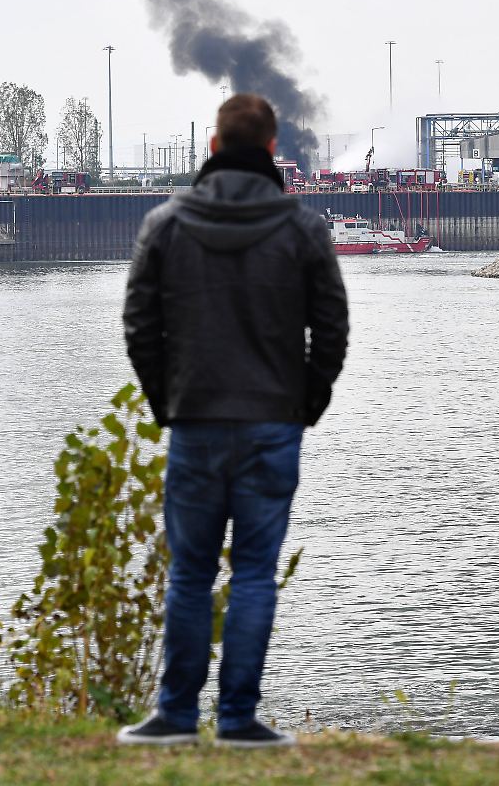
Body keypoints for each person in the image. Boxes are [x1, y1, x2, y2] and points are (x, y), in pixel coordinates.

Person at [119, 94, 349, 748]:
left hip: (195, 420)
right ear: (273, 150)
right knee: (253, 574)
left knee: (190, 574)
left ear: (214, 147)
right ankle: (239, 719)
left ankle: (175, 716)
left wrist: (167, 401)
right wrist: (305, 404)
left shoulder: (166, 224)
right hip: (272, 423)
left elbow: (139, 326)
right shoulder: (303, 230)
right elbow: (332, 330)